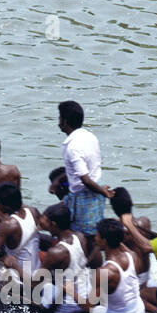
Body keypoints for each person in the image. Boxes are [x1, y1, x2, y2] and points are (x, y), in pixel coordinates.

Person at [66, 219, 146, 313]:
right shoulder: (133, 256)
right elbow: (118, 245)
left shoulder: (105, 272)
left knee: (94, 309)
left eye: (97, 236)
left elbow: (88, 307)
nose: (95, 239)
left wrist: (70, 290)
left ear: (104, 241)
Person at [59, 101, 113, 235]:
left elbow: (85, 179)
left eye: (60, 118)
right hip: (96, 191)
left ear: (65, 122)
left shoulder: (73, 147)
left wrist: (104, 192)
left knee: (85, 236)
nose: (58, 121)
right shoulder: (90, 137)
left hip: (84, 197)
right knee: (94, 234)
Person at [36, 203, 91, 313]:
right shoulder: (80, 237)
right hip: (86, 292)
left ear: (54, 224)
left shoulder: (56, 252)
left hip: (68, 302)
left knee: (44, 286)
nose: (42, 222)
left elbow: (34, 283)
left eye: (46, 221)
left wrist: (15, 265)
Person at [0, 183, 40, 278]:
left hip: (21, 276)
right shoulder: (34, 211)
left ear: (5, 206)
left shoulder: (8, 225)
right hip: (37, 270)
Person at [109, 187, 157, 289]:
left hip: (132, 277)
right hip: (147, 273)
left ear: (113, 208)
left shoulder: (117, 228)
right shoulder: (145, 222)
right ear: (131, 203)